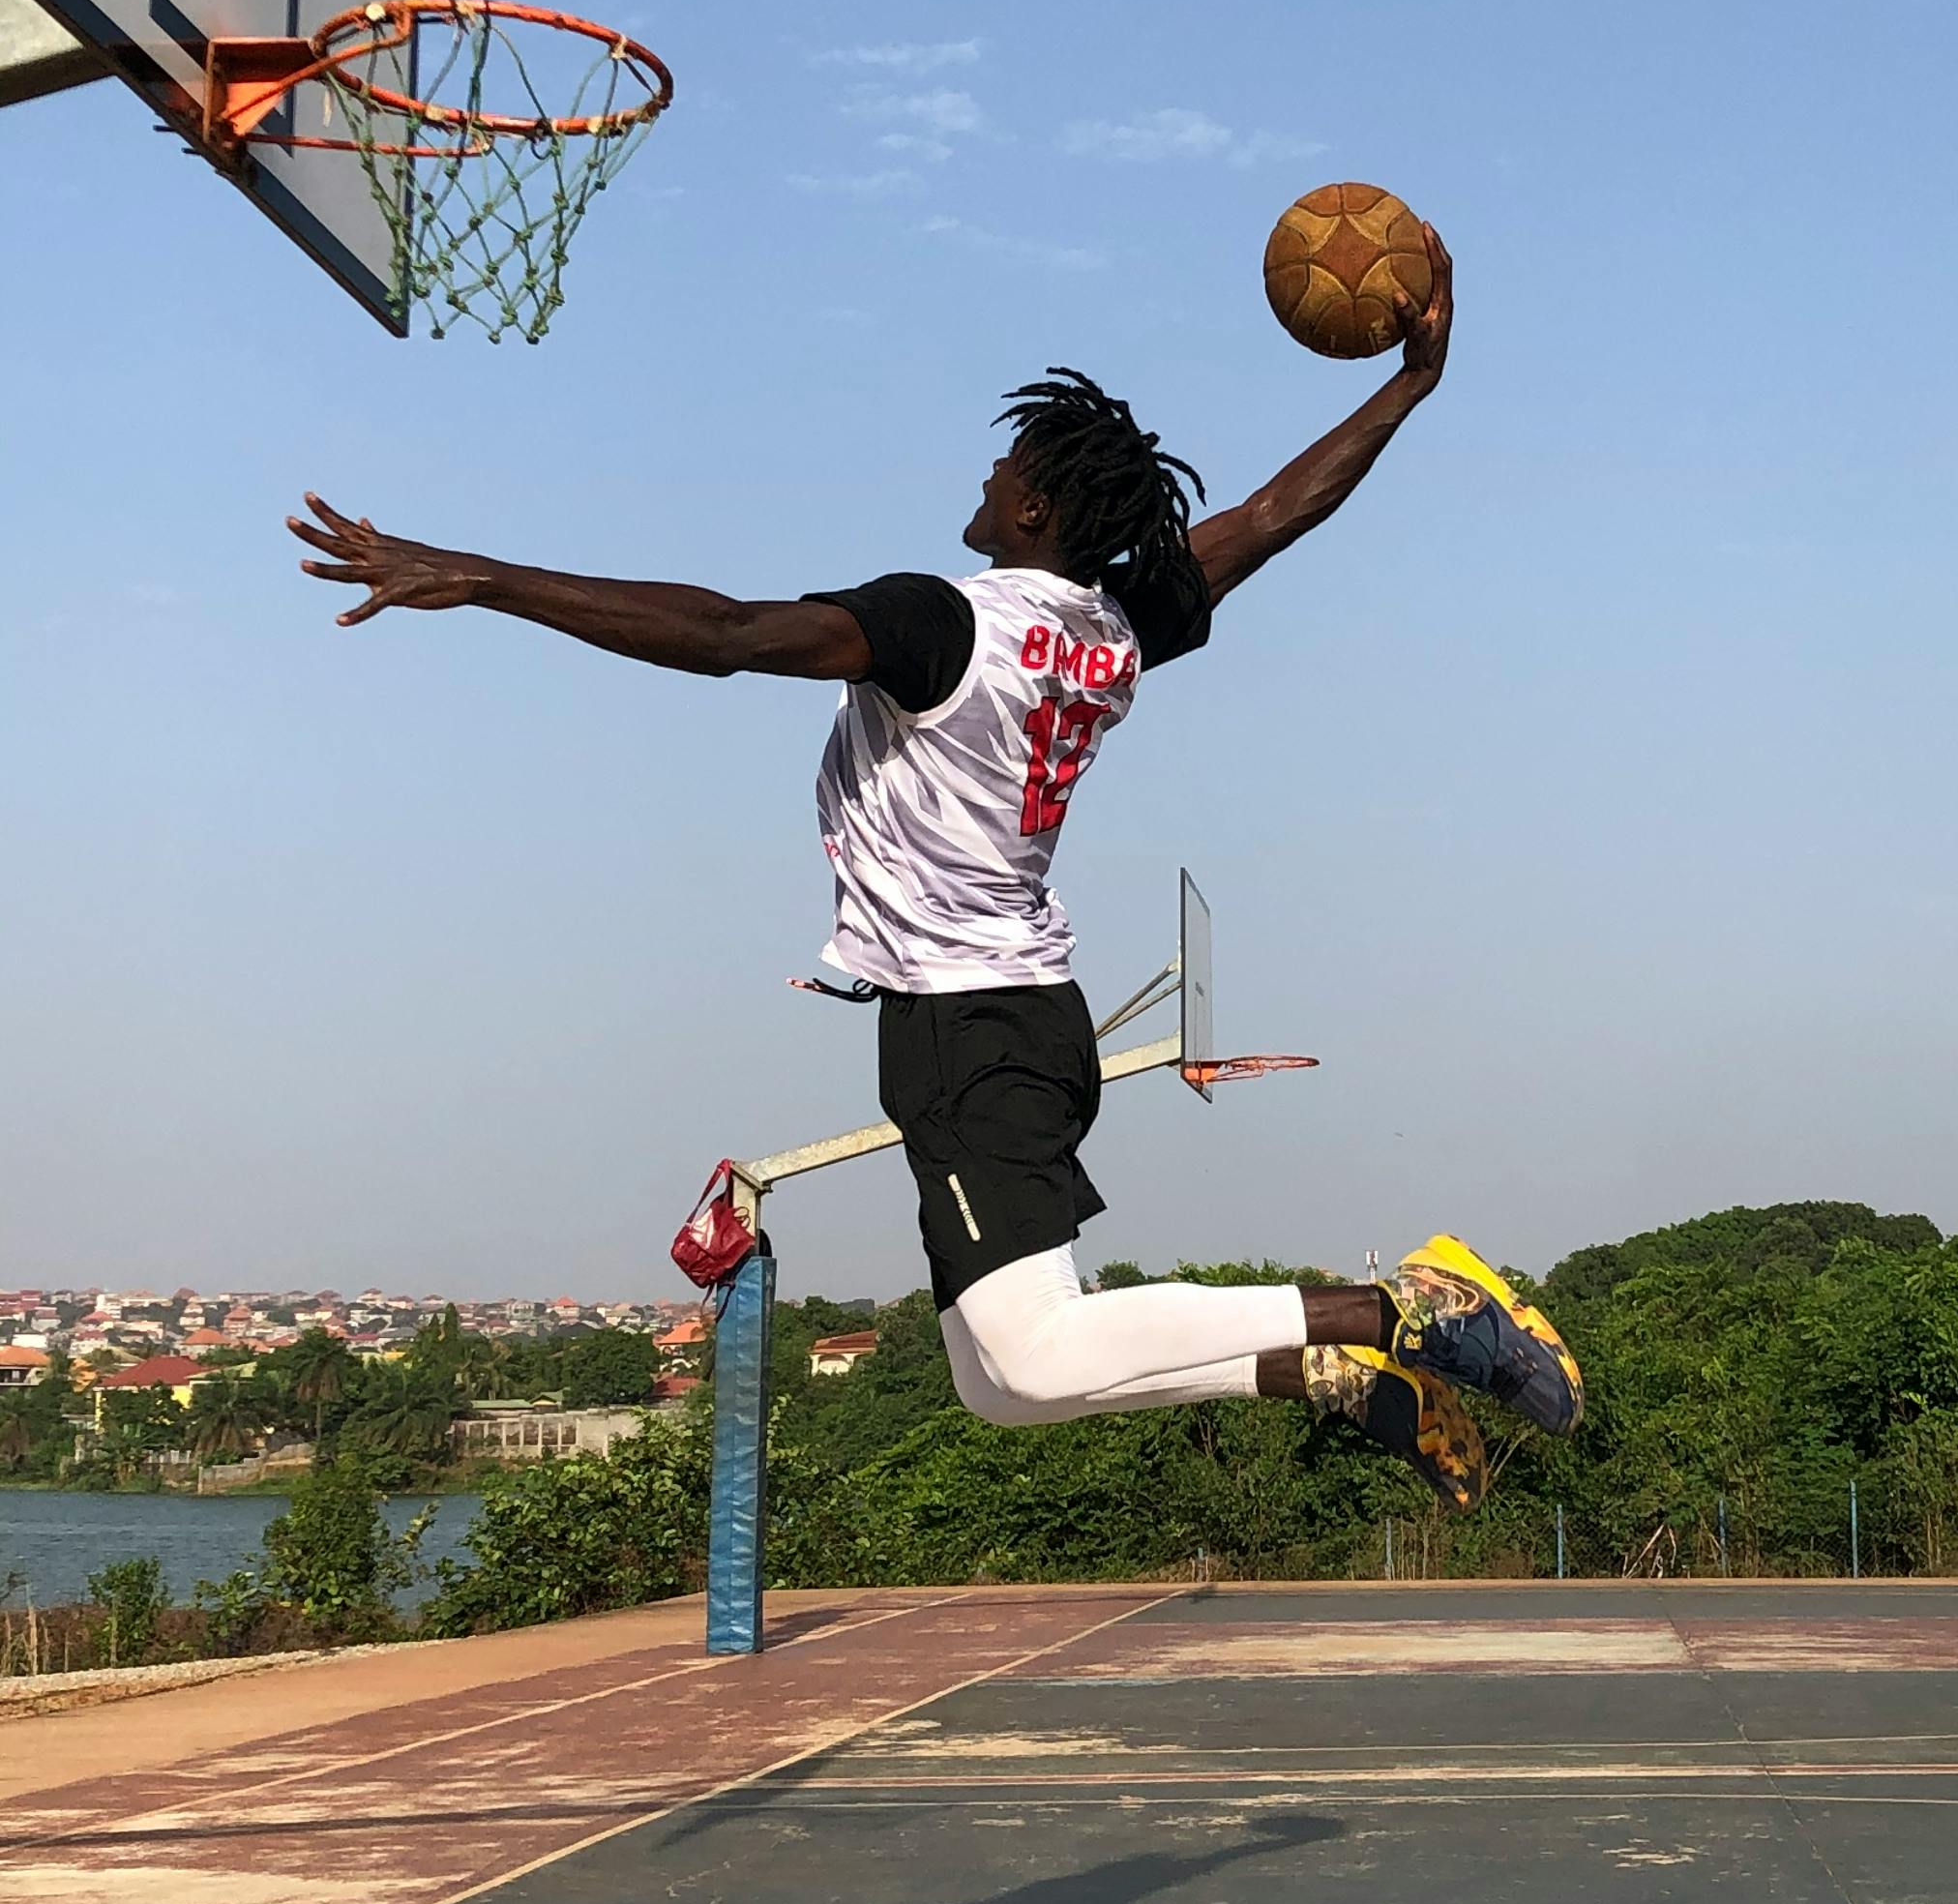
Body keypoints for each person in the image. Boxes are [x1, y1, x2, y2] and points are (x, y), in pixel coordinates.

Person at [285, 246, 1575, 1508]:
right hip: (993, 1018)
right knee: (1003, 1386)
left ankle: (1408, 1306)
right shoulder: (1116, 630)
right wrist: (1407, 388)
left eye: (1005, 464)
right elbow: (1270, 520)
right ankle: (1331, 1374)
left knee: (1037, 1351)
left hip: (979, 1027)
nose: (986, 471)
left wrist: (483, 577)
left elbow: (727, 636)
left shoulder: (942, 625)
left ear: (1032, 513)